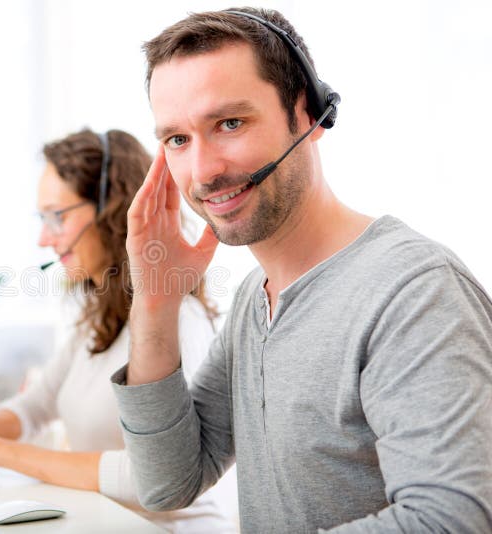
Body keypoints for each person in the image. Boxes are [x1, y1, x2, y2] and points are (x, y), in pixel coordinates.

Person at [111, 7, 492, 533]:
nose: (202, 172)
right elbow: (168, 483)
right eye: (178, 139)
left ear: (308, 115)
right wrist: (156, 301)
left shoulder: (414, 293)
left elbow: (452, 520)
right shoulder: (255, 298)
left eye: (229, 123)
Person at [0, 129, 236, 533]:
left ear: (110, 209)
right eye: (42, 219)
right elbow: (34, 408)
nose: (45, 238)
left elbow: (147, 477)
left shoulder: (177, 321)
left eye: (57, 216)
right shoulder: (96, 319)